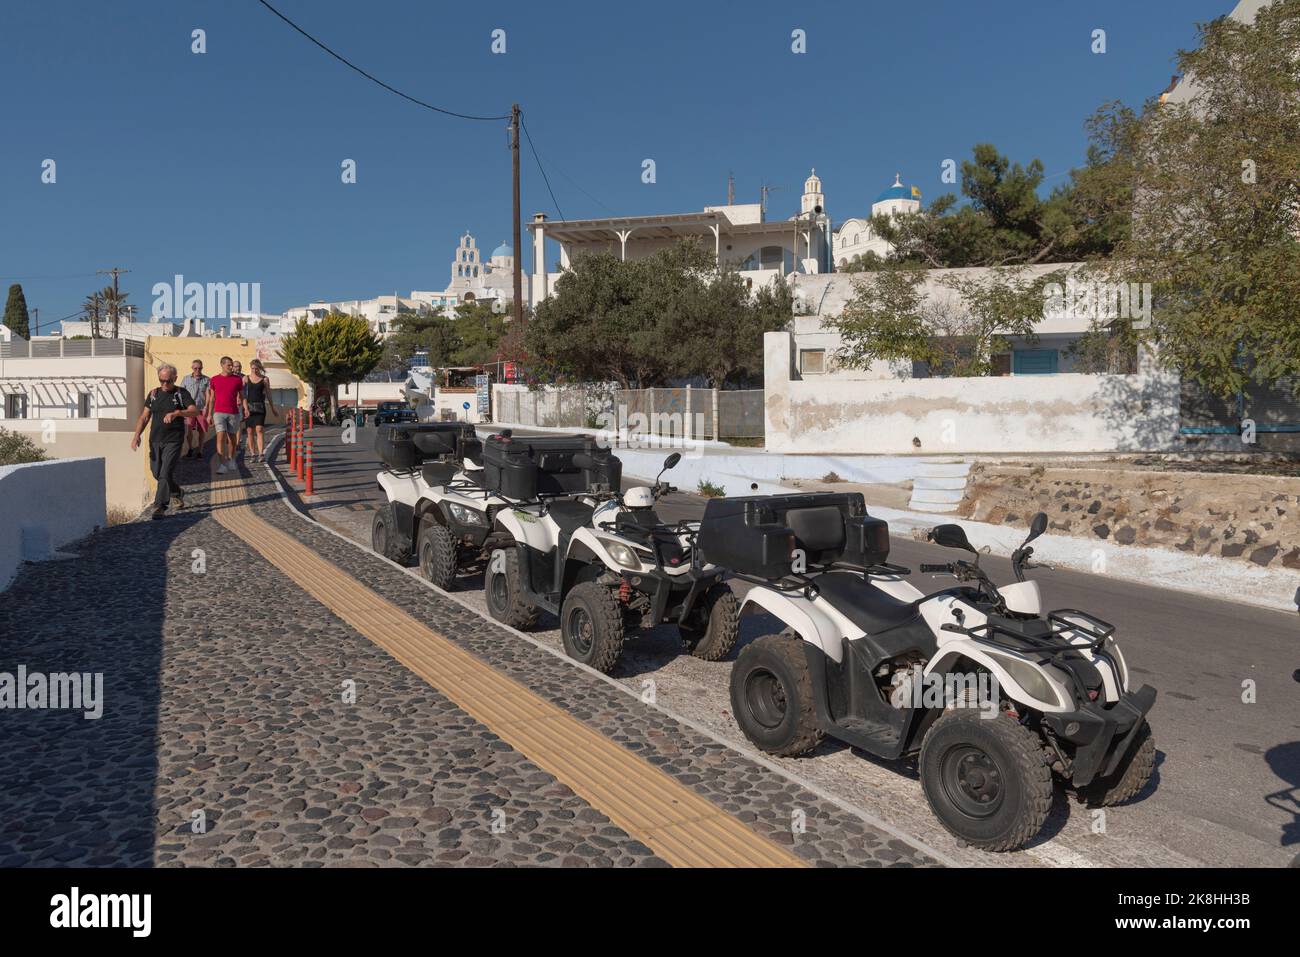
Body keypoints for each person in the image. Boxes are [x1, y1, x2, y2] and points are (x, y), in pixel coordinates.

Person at [130, 364, 198, 519]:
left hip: (174, 440)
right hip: (155, 439)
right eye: (161, 380)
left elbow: (195, 411)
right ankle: (176, 492)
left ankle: (160, 507)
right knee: (157, 473)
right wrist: (136, 435)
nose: (164, 384)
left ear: (174, 378)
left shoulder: (181, 393)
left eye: (167, 381)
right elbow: (145, 416)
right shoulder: (153, 394)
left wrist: (178, 413)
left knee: (165, 472)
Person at [206, 356, 244, 475]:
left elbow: (242, 395)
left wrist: (241, 402)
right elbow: (212, 398)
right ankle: (222, 464)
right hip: (218, 412)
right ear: (222, 365)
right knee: (220, 436)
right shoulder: (214, 379)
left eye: (232, 365)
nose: (231, 367)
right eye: (229, 365)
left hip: (233, 412)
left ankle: (231, 459)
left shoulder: (237, 379)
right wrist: (209, 414)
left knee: (232, 439)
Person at [241, 359, 277, 462]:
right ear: (250, 368)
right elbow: (242, 395)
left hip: (260, 407)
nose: (254, 370)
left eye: (256, 368)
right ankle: (253, 454)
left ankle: (261, 453)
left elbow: (269, 394)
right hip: (249, 407)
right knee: (249, 431)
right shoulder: (245, 379)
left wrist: (273, 408)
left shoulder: (265, 379)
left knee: (259, 429)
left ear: (259, 368)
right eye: (253, 368)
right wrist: (245, 408)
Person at [180, 359, 211, 459]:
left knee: (202, 430)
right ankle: (190, 448)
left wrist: (207, 407)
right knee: (189, 430)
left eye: (199, 368)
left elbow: (208, 395)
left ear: (202, 368)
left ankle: (200, 451)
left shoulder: (206, 380)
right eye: (195, 368)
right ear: (192, 368)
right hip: (189, 409)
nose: (197, 370)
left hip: (201, 409)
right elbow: (181, 393)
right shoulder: (186, 379)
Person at [231, 360, 247, 455]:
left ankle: (237, 443)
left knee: (239, 423)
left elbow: (245, 392)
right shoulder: (229, 377)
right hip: (230, 402)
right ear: (232, 367)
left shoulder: (244, 377)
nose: (238, 368)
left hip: (240, 403)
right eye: (236, 366)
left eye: (239, 366)